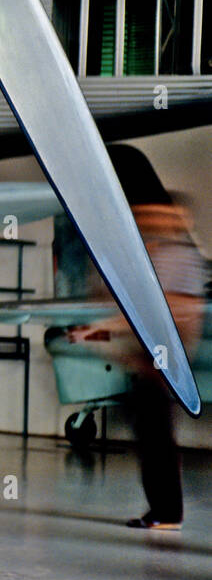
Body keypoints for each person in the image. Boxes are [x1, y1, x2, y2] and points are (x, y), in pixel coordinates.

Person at [66, 200, 206, 530]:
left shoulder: (179, 257)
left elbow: (168, 309)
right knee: (150, 435)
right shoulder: (151, 254)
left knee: (156, 437)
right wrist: (94, 333)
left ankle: (167, 514)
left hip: (164, 359)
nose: (147, 220)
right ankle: (163, 512)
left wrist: (101, 330)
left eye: (156, 214)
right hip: (147, 358)